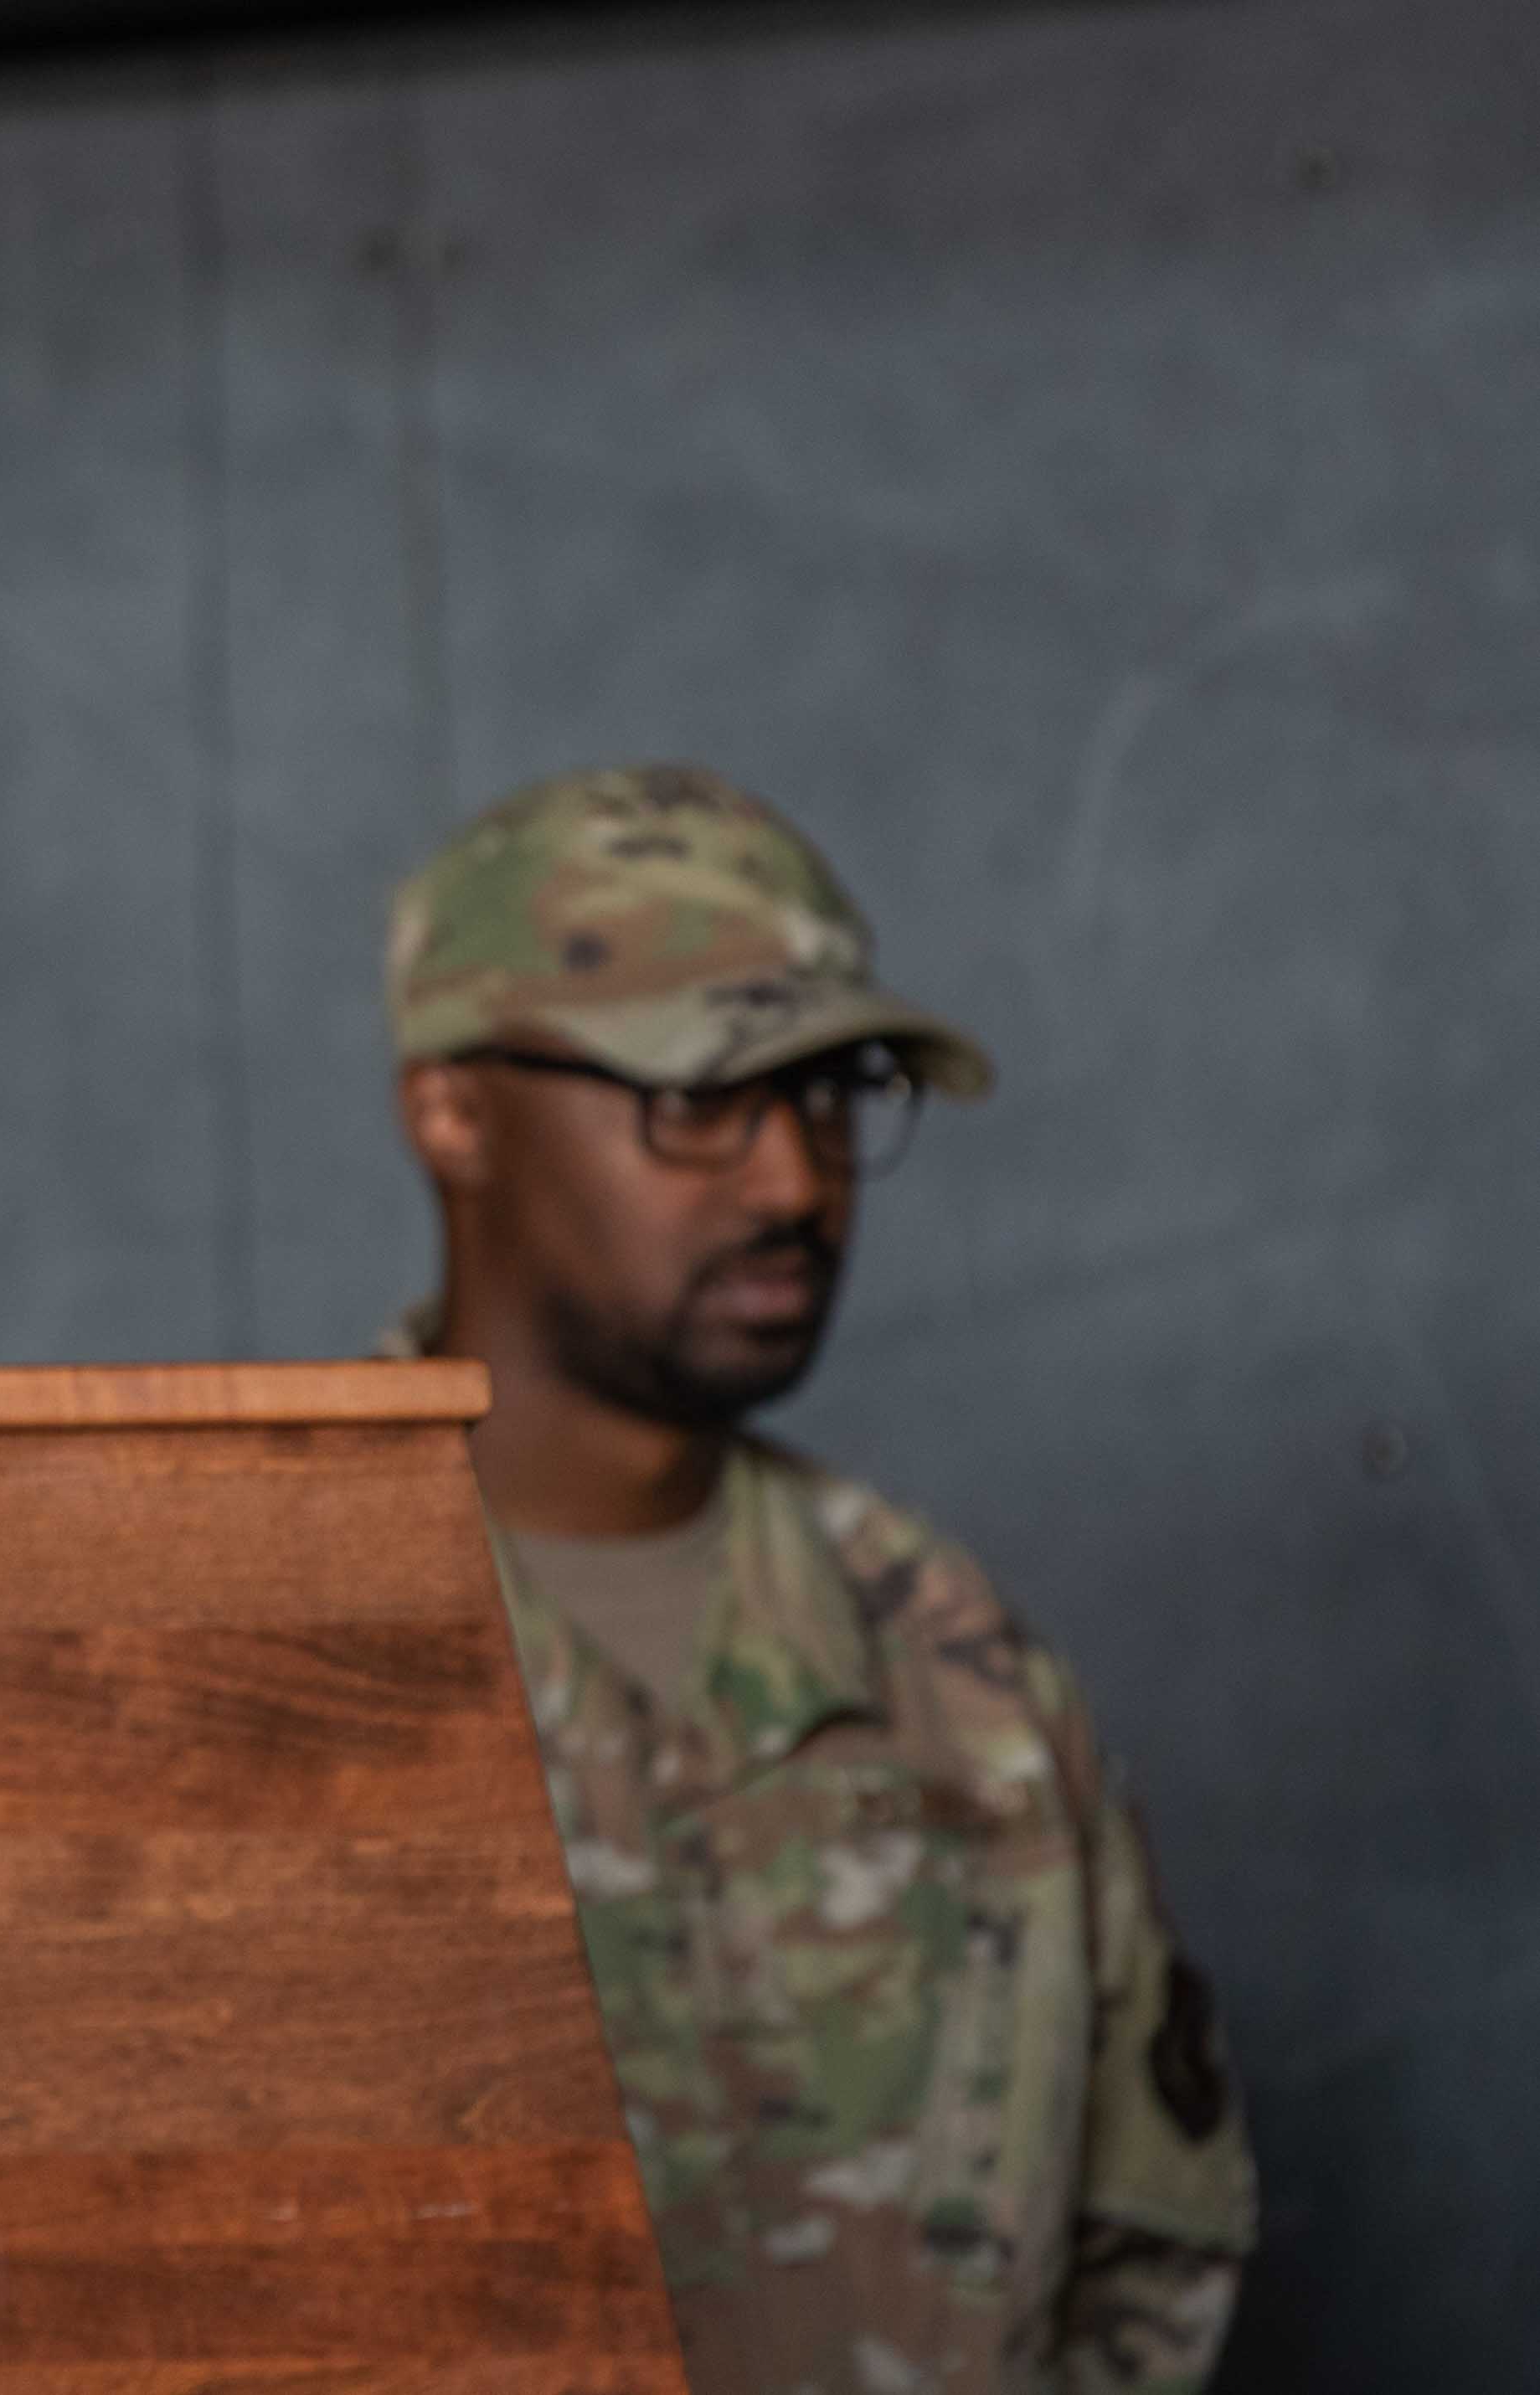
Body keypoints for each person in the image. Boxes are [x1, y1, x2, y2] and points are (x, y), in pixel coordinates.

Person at [381, 765, 1254, 2392]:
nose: (792, 1180)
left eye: (832, 1089)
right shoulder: (244, 1648)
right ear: (455, 1111)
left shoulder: (959, 1667)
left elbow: (1151, 2246)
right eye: (698, 1094)